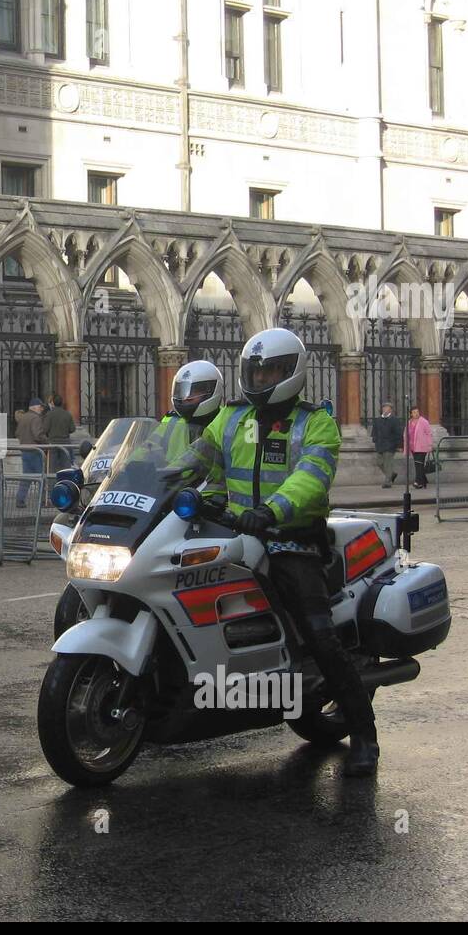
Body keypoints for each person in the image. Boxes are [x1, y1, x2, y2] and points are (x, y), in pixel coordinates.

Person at [175, 328, 379, 777]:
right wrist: (151, 482)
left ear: (291, 372)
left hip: (292, 540)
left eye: (270, 369)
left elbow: (310, 479)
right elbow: (194, 460)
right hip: (234, 534)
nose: (261, 376)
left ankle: (364, 733)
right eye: (255, 369)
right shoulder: (229, 419)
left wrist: (270, 511)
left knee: (319, 632)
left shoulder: (316, 423)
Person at [14, 398, 48, 509]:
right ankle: (43, 501)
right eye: (40, 406)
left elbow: (17, 433)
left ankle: (20, 499)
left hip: (25, 451)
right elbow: (37, 435)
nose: (41, 409)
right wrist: (47, 441)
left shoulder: (23, 418)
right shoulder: (36, 418)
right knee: (42, 477)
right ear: (35, 407)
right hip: (35, 451)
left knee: (26, 477)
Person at [370, 402, 403, 489]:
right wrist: (375, 439)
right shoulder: (378, 420)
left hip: (390, 445)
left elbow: (398, 433)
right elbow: (374, 431)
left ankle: (387, 482)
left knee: (388, 464)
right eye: (384, 408)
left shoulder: (394, 420)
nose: (385, 409)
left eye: (387, 408)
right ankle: (392, 474)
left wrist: (399, 445)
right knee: (379, 462)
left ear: (391, 410)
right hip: (380, 445)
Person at [42, 393, 76, 471]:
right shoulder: (67, 414)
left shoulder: (49, 414)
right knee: (65, 466)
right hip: (65, 443)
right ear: (62, 403)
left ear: (53, 403)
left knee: (52, 467)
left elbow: (45, 429)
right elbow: (72, 429)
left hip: (53, 443)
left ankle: (52, 482)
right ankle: (64, 482)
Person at [407, 406, 433, 489]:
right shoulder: (409, 422)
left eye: (417, 412)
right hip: (413, 447)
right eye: (414, 412)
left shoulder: (424, 422)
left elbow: (429, 433)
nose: (416, 414)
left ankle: (418, 482)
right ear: (411, 414)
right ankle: (424, 480)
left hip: (422, 446)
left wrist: (430, 445)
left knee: (419, 463)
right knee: (418, 464)